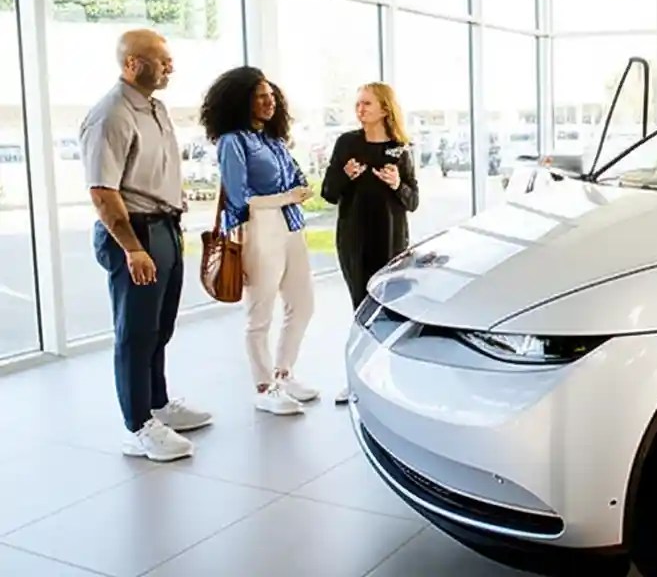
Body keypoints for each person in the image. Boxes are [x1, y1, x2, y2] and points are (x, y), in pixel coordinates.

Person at [81, 28, 212, 462]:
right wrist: (133, 248)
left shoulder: (155, 108)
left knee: (160, 327)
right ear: (132, 64)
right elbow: (103, 191)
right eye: (161, 59)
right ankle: (137, 426)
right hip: (134, 232)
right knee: (135, 334)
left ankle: (158, 404)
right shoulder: (111, 114)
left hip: (165, 226)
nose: (170, 66)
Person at [200, 67, 318, 416]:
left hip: (291, 226)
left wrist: (293, 193)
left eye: (271, 95)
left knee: (303, 304)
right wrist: (286, 196)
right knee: (260, 313)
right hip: (259, 228)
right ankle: (264, 387)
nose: (269, 102)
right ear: (241, 101)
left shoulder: (273, 138)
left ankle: (284, 373)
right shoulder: (232, 141)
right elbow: (239, 198)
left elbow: (297, 179)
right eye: (260, 96)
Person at [322, 82, 419, 404]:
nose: (359, 109)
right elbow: (328, 193)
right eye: (358, 104)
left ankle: (393, 380)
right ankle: (356, 380)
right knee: (361, 308)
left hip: (392, 240)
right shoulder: (347, 143)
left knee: (392, 312)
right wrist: (345, 176)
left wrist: (397, 184)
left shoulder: (401, 149)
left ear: (384, 109)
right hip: (354, 239)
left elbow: (413, 201)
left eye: (366, 104)